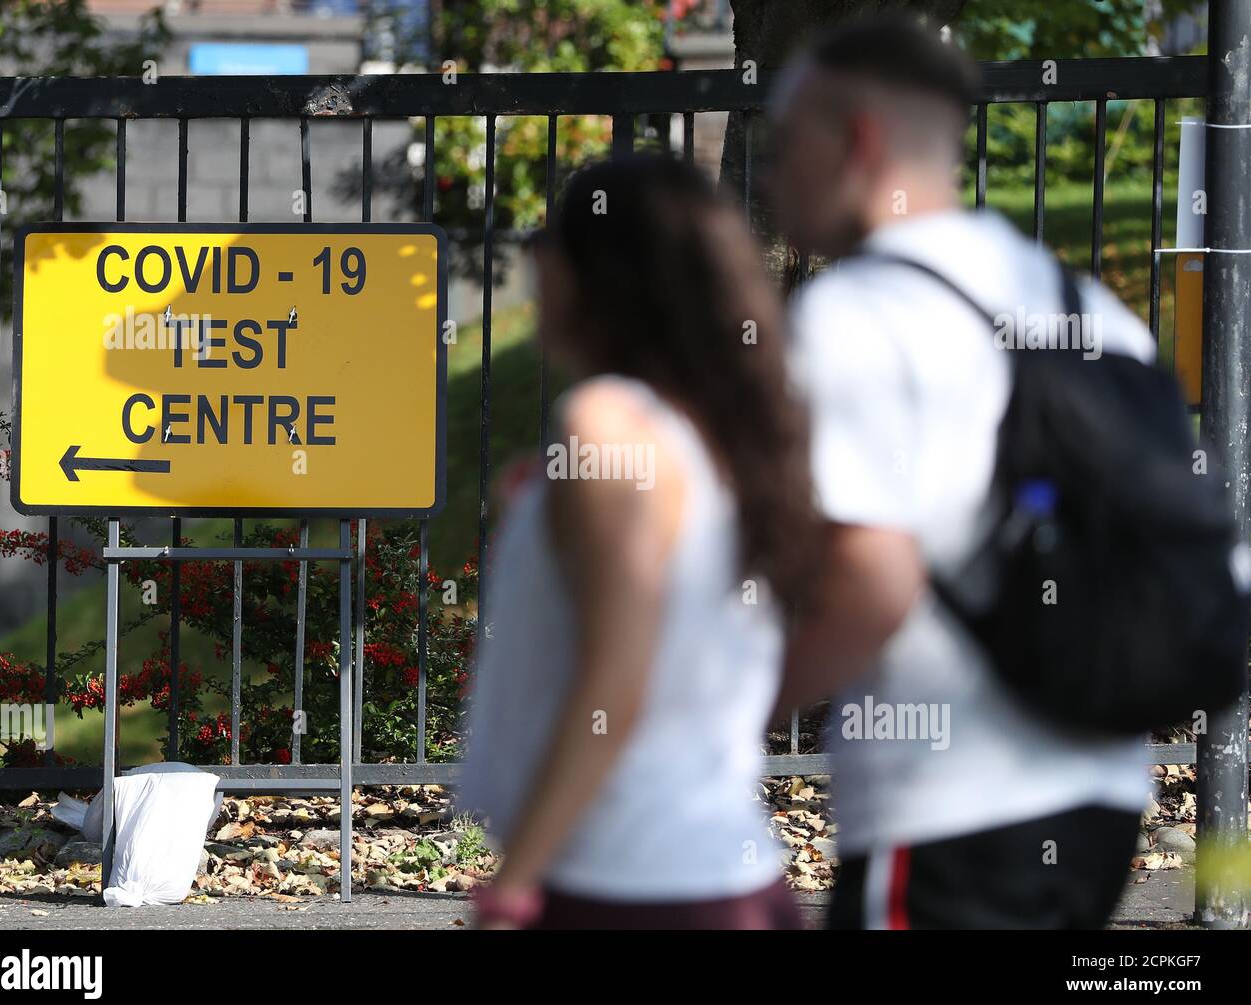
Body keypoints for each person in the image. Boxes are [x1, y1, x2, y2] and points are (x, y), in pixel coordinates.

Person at [769, 17, 1152, 929]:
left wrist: (728, 708)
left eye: (783, 143)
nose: (772, 171)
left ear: (857, 141)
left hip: (946, 812)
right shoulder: (1086, 305)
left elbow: (873, 576)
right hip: (1100, 797)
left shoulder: (855, 315)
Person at [459, 156, 818, 930]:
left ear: (600, 273)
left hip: (623, 884)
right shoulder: (722, 432)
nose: (534, 263)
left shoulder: (607, 424)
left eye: (547, 241)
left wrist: (510, 890)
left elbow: (614, 681)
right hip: (724, 876)